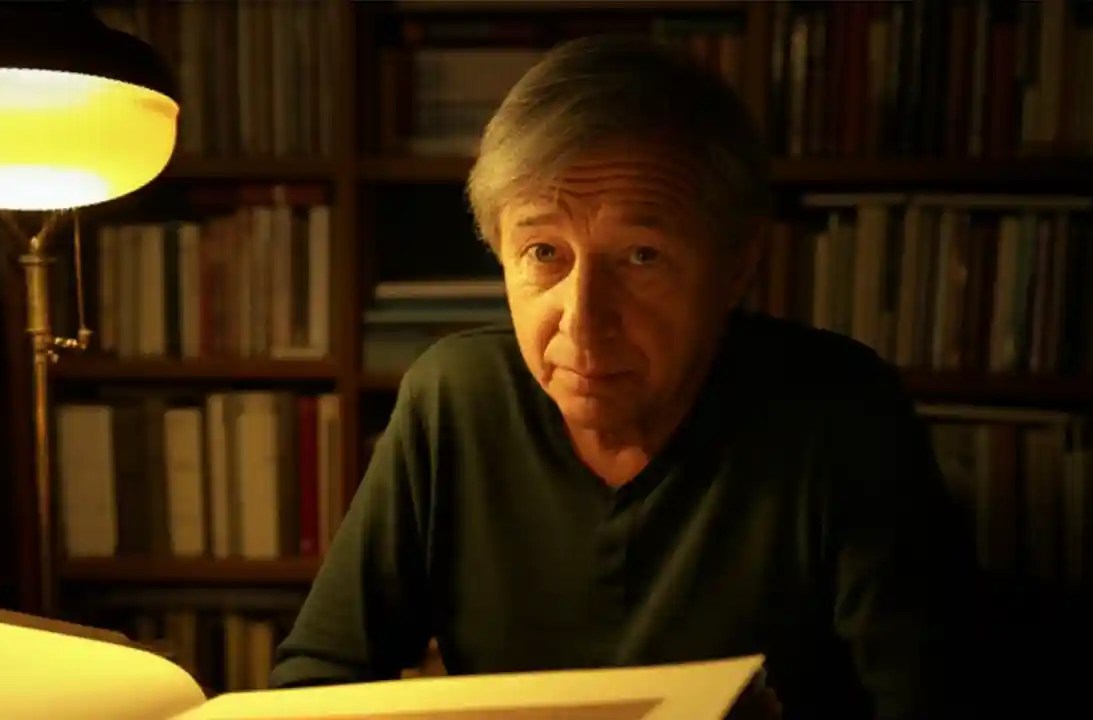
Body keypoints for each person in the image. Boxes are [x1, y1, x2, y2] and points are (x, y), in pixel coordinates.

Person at [271, 34, 978, 719]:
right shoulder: (455, 400)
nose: (584, 319)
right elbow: (317, 682)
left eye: (641, 256)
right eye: (543, 252)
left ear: (736, 268)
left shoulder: (840, 414)